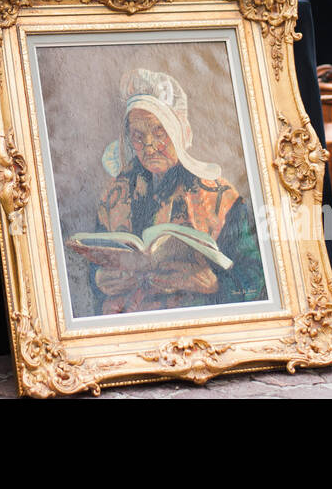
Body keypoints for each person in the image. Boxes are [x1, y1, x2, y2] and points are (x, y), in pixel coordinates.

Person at [84, 68, 267, 315]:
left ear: (179, 132)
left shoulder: (219, 198)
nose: (149, 146)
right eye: (138, 136)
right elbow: (94, 263)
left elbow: (255, 278)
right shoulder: (114, 196)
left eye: (159, 132)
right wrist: (100, 280)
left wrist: (213, 284)